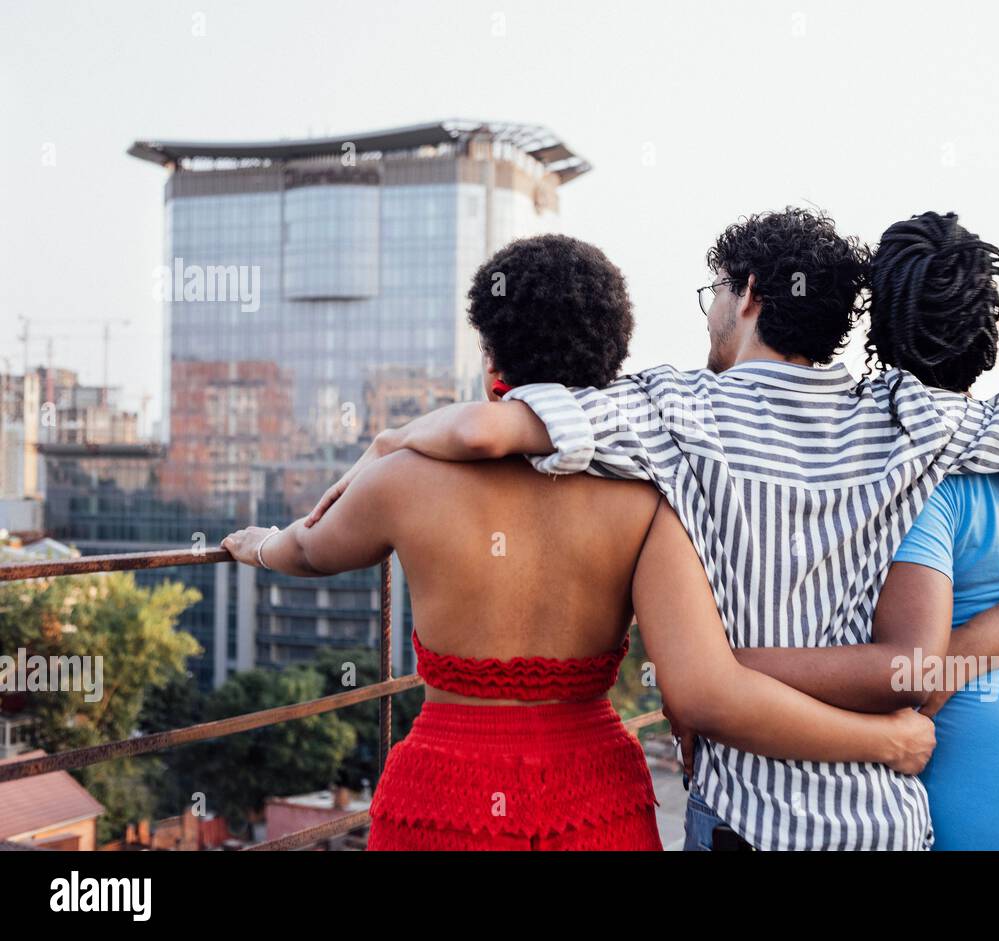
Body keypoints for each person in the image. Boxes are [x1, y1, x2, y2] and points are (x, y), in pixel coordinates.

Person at [308, 208, 999, 850]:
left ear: (750, 296)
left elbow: (487, 432)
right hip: (884, 817)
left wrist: (389, 441)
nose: (710, 312)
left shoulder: (672, 406)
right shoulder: (908, 412)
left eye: (714, 293)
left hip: (753, 814)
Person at [223, 234, 936, 851]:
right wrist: (885, 741)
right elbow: (702, 685)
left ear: (490, 346)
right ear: (610, 353)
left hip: (446, 790)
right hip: (593, 789)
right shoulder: (648, 492)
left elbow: (308, 549)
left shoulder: (404, 478)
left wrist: (257, 542)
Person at [714, 213, 999, 848]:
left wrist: (717, 673)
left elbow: (908, 666)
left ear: (875, 320)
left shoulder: (909, 472)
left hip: (995, 778)